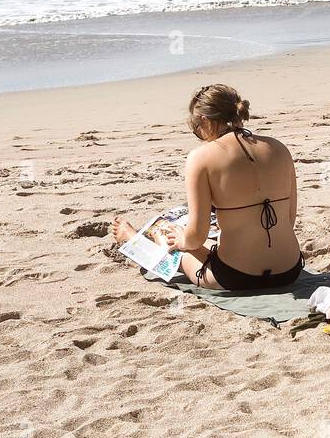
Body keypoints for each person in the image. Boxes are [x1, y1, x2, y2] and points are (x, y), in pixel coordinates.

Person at [111, 84, 302, 289]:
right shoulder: (279, 148)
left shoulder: (200, 158)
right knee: (203, 239)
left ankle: (132, 238)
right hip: (289, 270)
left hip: (236, 276)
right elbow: (288, 220)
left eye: (195, 127)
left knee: (170, 237)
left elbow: (195, 238)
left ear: (204, 120)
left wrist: (183, 239)